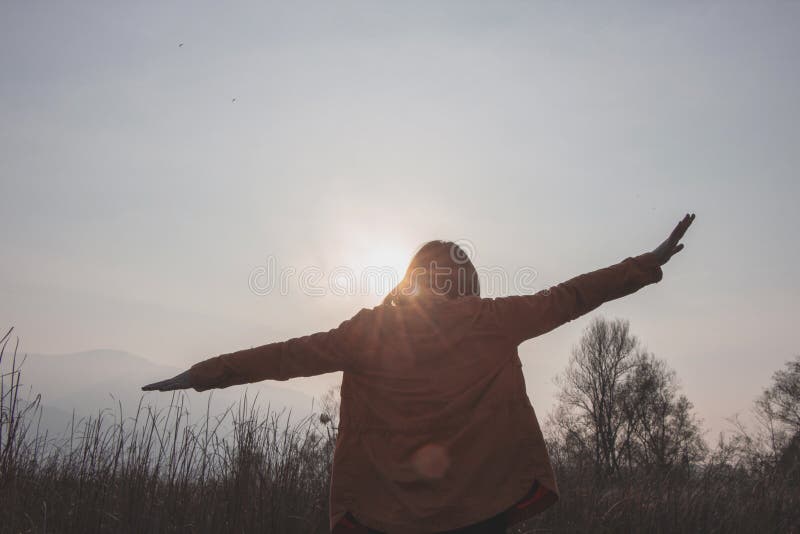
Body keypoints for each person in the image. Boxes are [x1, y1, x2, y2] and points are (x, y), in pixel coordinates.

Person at [143, 213, 696, 533]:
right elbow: (571, 296)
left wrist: (200, 374)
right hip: (482, 507)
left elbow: (283, 356)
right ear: (467, 279)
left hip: (390, 517)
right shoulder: (493, 321)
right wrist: (645, 264)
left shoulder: (371, 332)